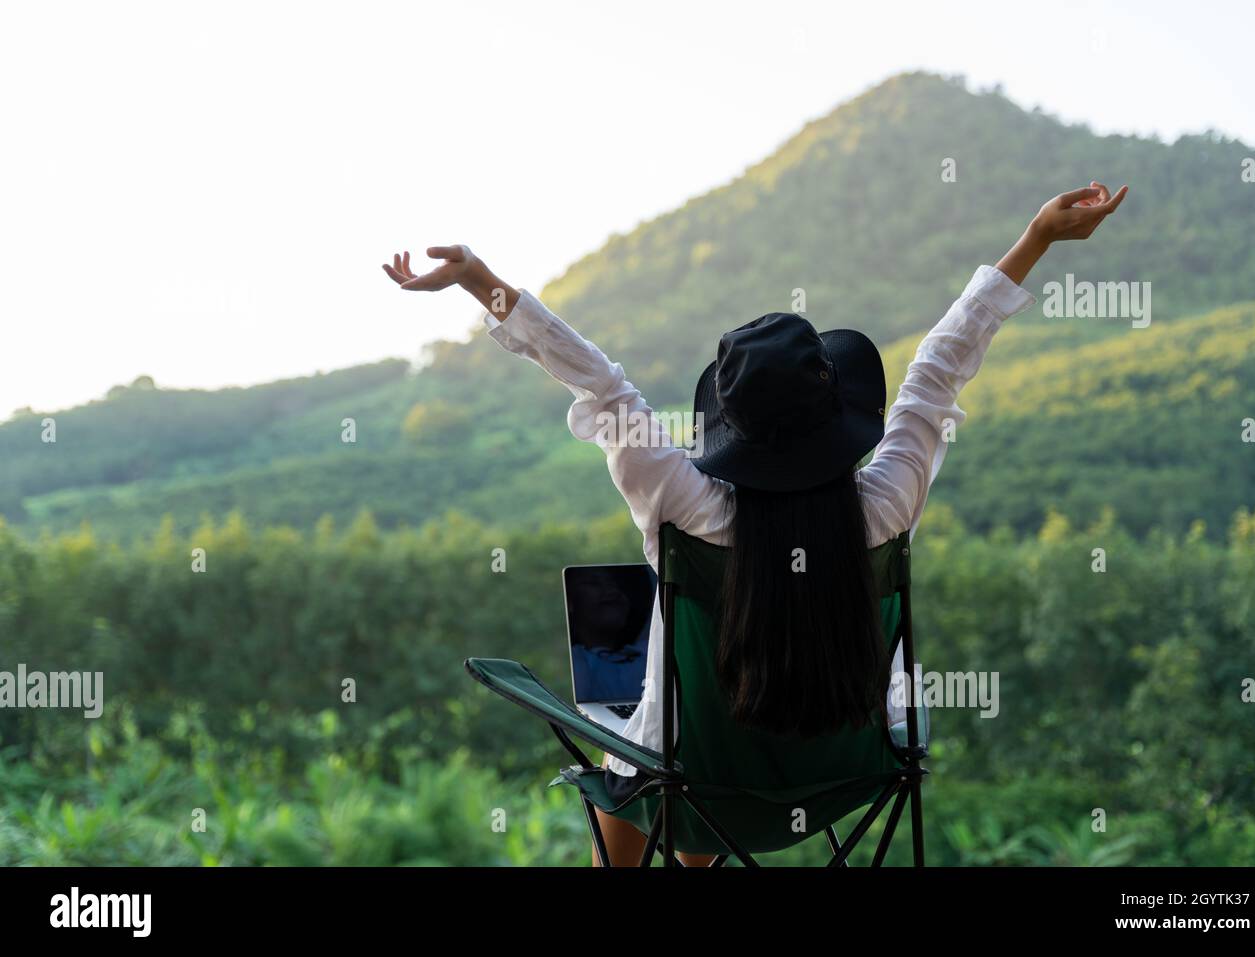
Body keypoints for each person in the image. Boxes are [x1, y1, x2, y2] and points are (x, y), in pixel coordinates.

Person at [383, 181, 1129, 865]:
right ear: (836, 418)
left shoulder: (685, 506)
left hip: (697, 783)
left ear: (732, 429)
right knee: (677, 748)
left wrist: (481, 280)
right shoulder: (883, 508)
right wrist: (1037, 236)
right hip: (843, 779)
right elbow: (938, 368)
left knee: (642, 752)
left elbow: (601, 385)